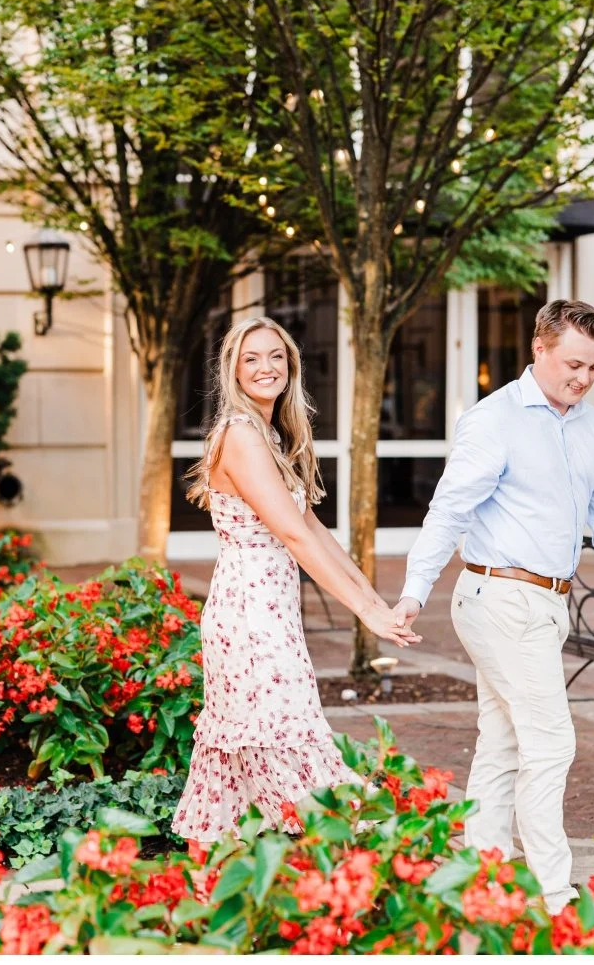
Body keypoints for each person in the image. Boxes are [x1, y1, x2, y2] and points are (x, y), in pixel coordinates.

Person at [393, 299, 594, 916]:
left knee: (504, 740)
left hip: (548, 605)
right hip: (497, 597)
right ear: (538, 348)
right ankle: (553, 894)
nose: (584, 378)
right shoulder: (494, 420)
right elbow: (449, 509)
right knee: (551, 741)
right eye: (573, 363)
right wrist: (413, 591)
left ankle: (481, 873)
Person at [172, 316, 419, 846]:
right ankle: (335, 856)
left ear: (291, 366)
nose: (267, 368)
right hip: (249, 619)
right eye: (252, 358)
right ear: (233, 371)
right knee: (283, 737)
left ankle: (216, 882)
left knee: (243, 755)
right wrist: (366, 613)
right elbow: (293, 536)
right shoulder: (240, 435)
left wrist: (376, 600)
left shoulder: (268, 435)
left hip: (266, 613)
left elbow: (314, 529)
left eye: (276, 356)